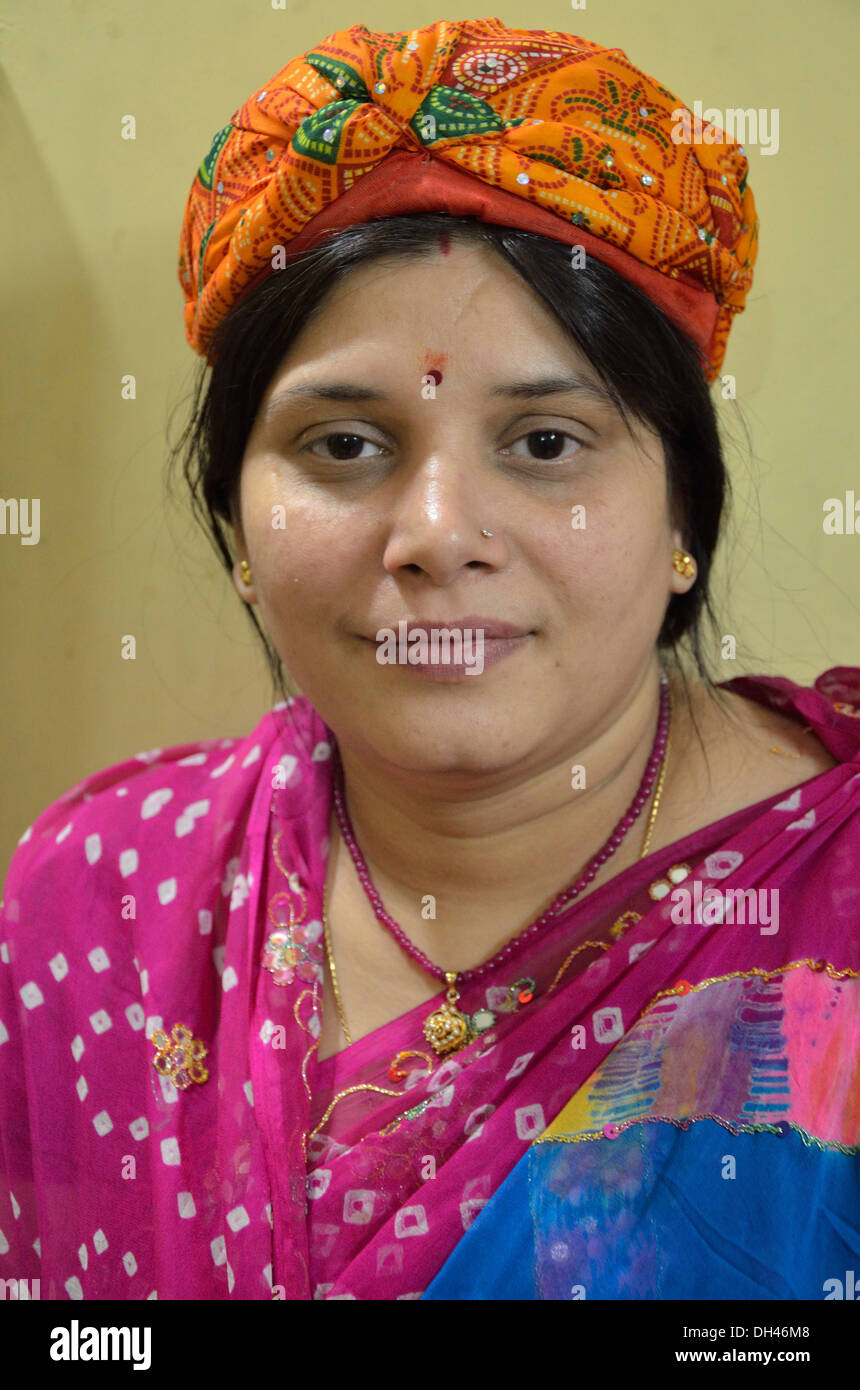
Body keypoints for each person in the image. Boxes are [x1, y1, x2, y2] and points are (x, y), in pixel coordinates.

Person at [1, 17, 857, 1302]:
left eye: (546, 442)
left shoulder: (827, 904)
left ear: (683, 511)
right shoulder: (100, 904)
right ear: (236, 520)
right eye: (345, 444)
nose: (437, 535)